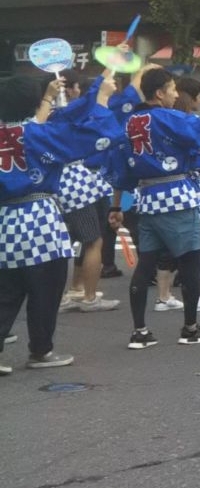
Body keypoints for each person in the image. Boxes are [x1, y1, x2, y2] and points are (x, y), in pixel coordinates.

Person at [109, 67, 200, 349]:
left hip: (146, 198)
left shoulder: (130, 123)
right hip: (177, 197)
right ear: (159, 93)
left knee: (145, 264)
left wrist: (116, 207)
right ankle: (190, 328)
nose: (176, 94)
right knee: (189, 263)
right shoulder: (168, 117)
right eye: (172, 89)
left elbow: (120, 172)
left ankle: (140, 332)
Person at [0, 71, 121, 374]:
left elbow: (66, 114)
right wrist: (103, 99)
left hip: (4, 221)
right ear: (33, 102)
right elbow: (94, 139)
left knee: (7, 291)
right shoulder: (37, 134)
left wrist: (94, 89)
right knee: (46, 287)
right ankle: (40, 351)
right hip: (39, 218)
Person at [55, 70, 119, 313]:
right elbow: (93, 103)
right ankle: (89, 297)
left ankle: (74, 290)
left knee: (69, 241)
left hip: (67, 182)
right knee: (93, 241)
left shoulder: (46, 116)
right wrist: (105, 74)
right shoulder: (67, 115)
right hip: (75, 182)